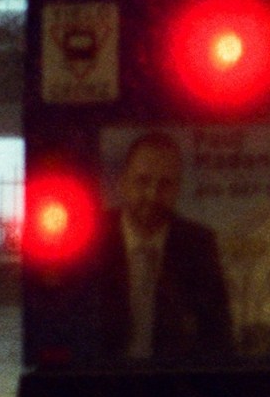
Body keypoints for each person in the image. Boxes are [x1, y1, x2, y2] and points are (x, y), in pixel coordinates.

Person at [97, 132, 235, 361]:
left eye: (165, 184)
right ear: (123, 183)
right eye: (143, 181)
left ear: (177, 189)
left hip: (173, 383)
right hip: (99, 382)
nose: (152, 195)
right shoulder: (94, 237)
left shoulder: (198, 244)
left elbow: (218, 333)